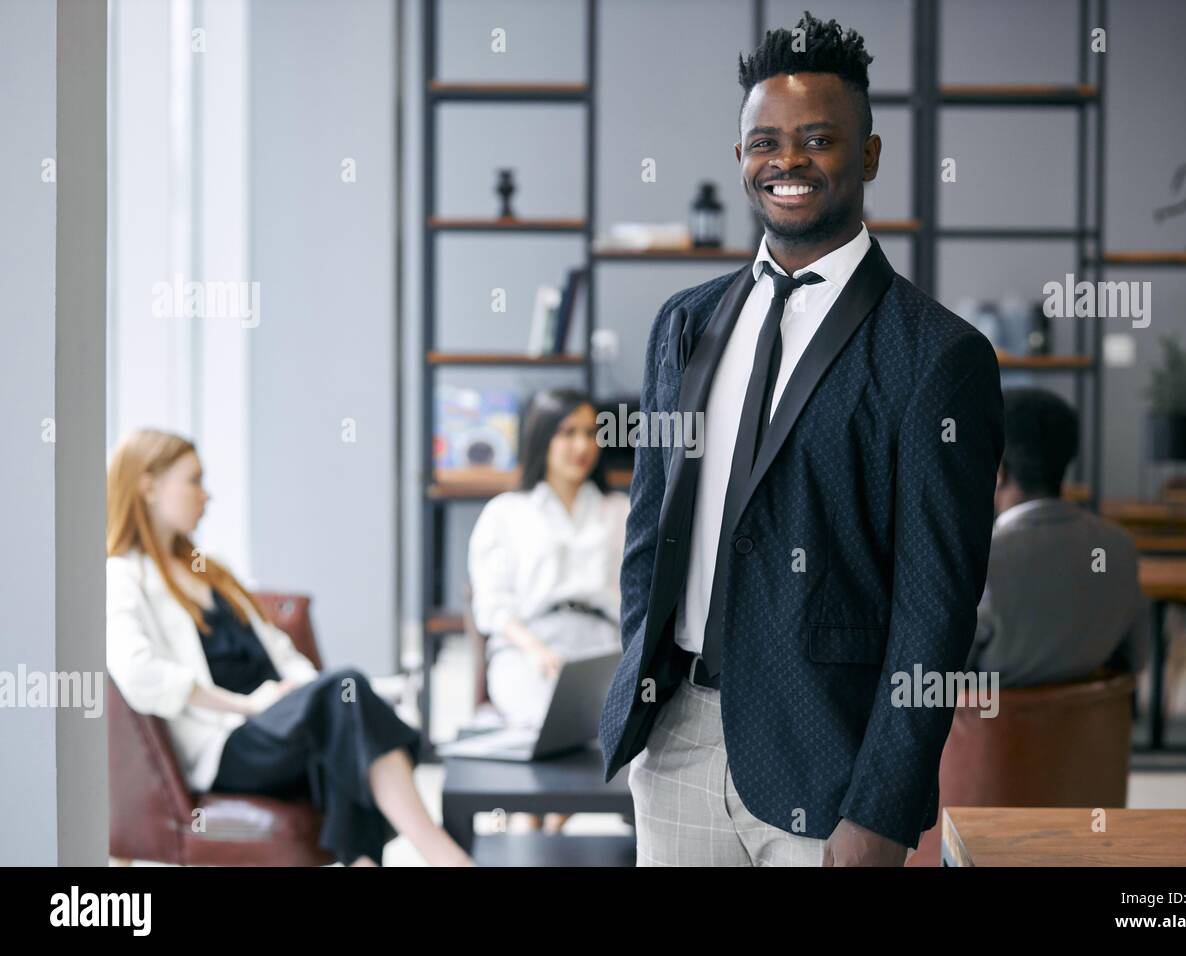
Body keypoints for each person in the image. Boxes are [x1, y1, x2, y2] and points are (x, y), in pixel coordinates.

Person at [598, 11, 1004, 867]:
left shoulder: (939, 357)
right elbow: (647, 538)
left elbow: (936, 612)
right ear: (741, 155)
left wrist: (883, 811)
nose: (786, 160)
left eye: (818, 138)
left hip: (833, 766)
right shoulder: (685, 324)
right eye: (764, 141)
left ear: (869, 155)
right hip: (678, 742)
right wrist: (642, 701)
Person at [105, 429, 473, 867]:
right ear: (148, 486)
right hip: (227, 744)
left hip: (277, 723)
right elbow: (138, 673)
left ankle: (366, 863)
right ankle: (445, 858)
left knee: (342, 716)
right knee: (345, 692)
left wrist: (296, 694)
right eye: (194, 480)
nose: (207, 495)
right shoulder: (123, 576)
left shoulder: (210, 570)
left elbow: (281, 651)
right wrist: (248, 706)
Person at [467, 389, 629, 833]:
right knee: (550, 726)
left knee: (613, 718)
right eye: (568, 433)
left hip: (602, 647)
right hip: (529, 649)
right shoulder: (506, 513)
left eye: (591, 433)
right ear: (541, 438)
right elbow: (492, 607)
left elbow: (637, 598)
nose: (582, 445)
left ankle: (547, 826)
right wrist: (534, 649)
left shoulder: (620, 510)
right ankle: (527, 825)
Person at [965, 388, 1148, 685]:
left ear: (997, 471)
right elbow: (1135, 659)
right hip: (1090, 730)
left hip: (989, 729)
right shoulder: (1119, 547)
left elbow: (939, 680)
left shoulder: (982, 562)